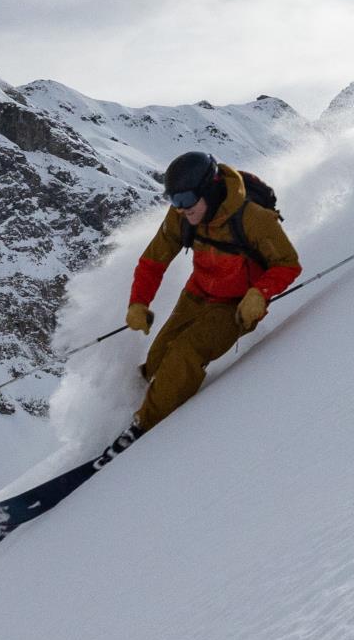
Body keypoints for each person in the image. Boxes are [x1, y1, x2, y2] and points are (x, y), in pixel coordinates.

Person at [124, 149, 300, 435]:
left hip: (236, 305)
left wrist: (259, 293)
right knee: (158, 357)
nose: (180, 208)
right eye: (174, 200)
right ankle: (137, 406)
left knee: (185, 353)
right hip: (197, 293)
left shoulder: (253, 219)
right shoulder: (182, 216)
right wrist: (138, 302)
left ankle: (145, 427)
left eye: (185, 200)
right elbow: (153, 262)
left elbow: (288, 264)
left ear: (209, 189)